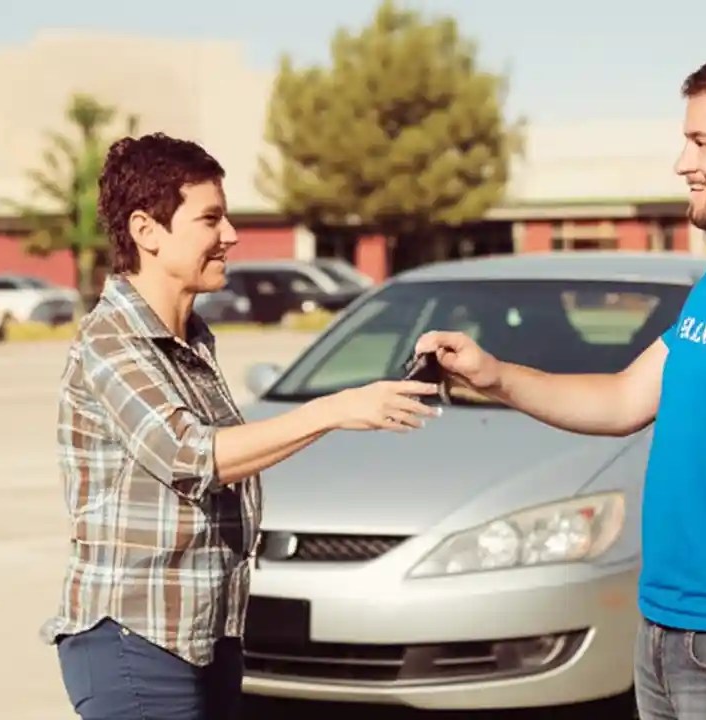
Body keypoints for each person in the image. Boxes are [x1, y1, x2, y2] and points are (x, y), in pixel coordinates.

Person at [414, 45, 706, 720]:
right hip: (663, 630)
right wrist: (494, 375)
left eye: (702, 141)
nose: (683, 164)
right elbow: (621, 399)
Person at [40, 132, 440, 720]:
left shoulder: (189, 341)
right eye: (210, 219)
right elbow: (190, 456)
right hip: (135, 640)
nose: (230, 236)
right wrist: (333, 409)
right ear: (147, 231)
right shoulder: (111, 343)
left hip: (206, 637)